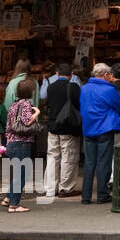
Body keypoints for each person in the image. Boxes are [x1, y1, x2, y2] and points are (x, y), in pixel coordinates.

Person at [79, 64, 120, 205]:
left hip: (88, 128)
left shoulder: (84, 88)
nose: (111, 77)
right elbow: (119, 106)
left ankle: (86, 196)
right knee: (103, 162)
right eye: (110, 74)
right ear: (105, 75)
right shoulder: (109, 89)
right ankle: (102, 194)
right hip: (104, 128)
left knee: (89, 163)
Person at [3, 78, 44, 212]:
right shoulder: (26, 104)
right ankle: (14, 205)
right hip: (22, 143)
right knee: (22, 174)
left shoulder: (13, 105)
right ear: (30, 92)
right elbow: (27, 122)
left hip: (11, 143)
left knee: (17, 173)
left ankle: (8, 198)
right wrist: (37, 112)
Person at [43, 62, 83, 198]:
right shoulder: (74, 87)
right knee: (69, 157)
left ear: (57, 74)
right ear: (71, 75)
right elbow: (79, 105)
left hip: (53, 126)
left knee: (52, 156)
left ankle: (50, 188)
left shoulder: (50, 87)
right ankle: (66, 188)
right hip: (69, 127)